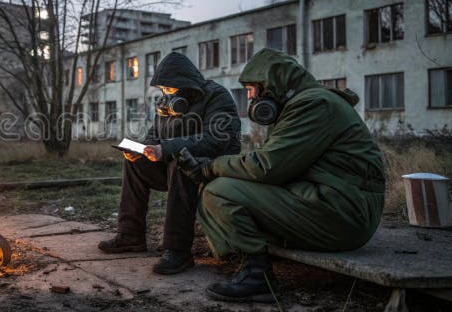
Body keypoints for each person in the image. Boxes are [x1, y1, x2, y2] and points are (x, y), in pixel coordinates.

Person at [179, 49, 385, 303]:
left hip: (344, 212)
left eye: (252, 89)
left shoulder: (313, 105)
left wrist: (211, 166)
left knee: (218, 191)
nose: (250, 97)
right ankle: (251, 256)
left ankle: (258, 276)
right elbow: (274, 165)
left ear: (273, 85)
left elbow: (267, 167)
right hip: (337, 204)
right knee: (224, 185)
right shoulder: (304, 105)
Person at [97, 52, 241, 275]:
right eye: (162, 88)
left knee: (180, 162)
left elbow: (216, 139)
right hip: (174, 164)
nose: (165, 93)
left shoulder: (217, 96)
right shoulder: (167, 102)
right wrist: (144, 149)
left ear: (184, 83)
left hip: (211, 167)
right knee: (135, 164)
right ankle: (130, 236)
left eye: (169, 88)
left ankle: (177, 251)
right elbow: (155, 134)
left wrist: (168, 149)